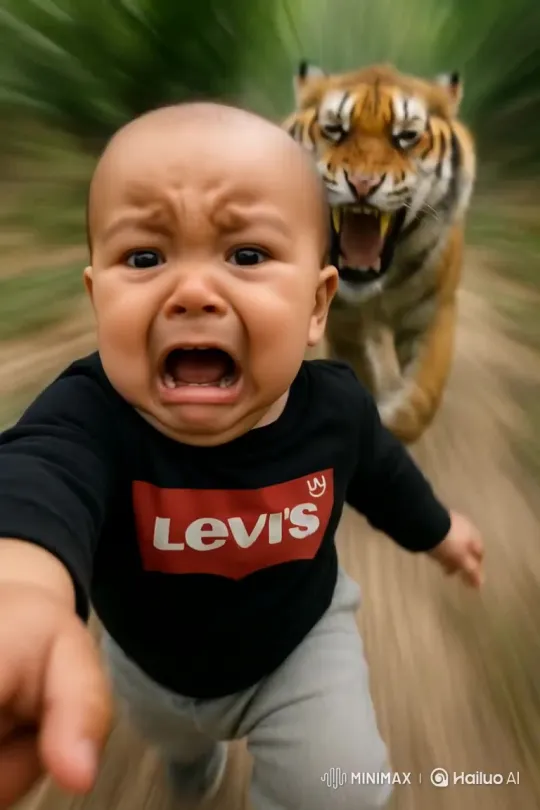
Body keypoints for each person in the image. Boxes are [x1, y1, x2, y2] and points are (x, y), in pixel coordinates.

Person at [0, 102, 484, 810]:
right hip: (148, 669)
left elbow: (385, 478)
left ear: (318, 306)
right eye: (144, 257)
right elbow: (38, 477)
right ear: (98, 296)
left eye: (247, 255)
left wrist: (439, 532)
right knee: (177, 741)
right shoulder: (90, 415)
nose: (193, 293)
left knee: (339, 791)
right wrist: (22, 591)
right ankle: (190, 759)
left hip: (299, 648)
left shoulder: (337, 412)